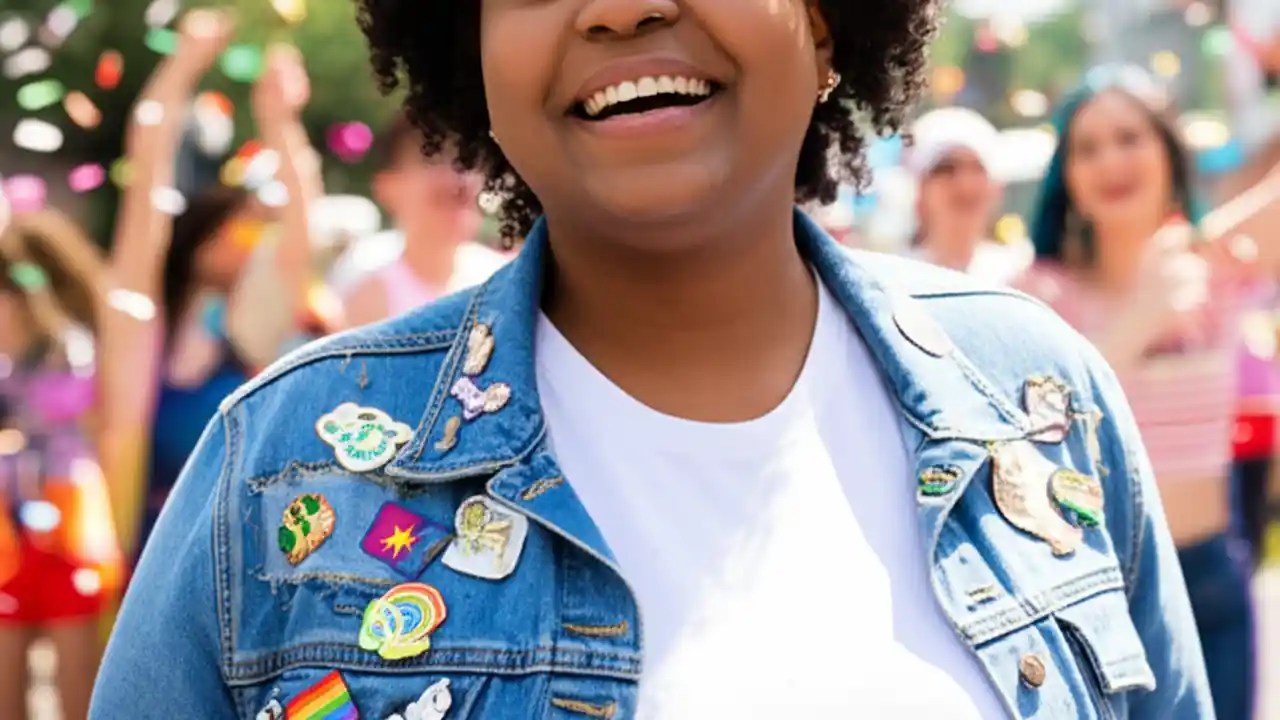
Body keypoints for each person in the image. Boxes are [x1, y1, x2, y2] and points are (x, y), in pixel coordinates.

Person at [94, 2, 1212, 718]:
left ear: (826, 26)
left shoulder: (1036, 396)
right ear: (468, 51)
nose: (623, 6)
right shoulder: (280, 467)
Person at [1022, 65, 1280, 720]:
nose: (1111, 161)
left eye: (1130, 137)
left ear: (1169, 153)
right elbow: (1032, 437)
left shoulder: (1216, 268)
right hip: (1096, 597)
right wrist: (1145, 313)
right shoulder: (1037, 294)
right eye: (1088, 147)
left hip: (1213, 583)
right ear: (1067, 178)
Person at [96, 10, 322, 559]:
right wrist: (180, 68)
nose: (253, 242)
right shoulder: (145, 327)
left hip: (234, 572)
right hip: (140, 570)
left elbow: (301, 232)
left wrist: (281, 121)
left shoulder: (253, 335)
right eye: (239, 227)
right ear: (197, 241)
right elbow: (145, 190)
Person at [0, 197, 123, 720]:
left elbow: (68, 406)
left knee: (77, 684)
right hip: (9, 526)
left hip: (67, 519)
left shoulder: (73, 348)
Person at [341, 116, 506, 328]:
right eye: (434, 158)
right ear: (387, 187)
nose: (458, 179)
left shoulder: (503, 283)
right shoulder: (369, 296)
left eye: (469, 159)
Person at [908, 107, 1030, 284]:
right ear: (921, 189)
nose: (965, 185)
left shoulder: (1021, 279)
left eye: (977, 169)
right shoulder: (895, 280)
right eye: (946, 169)